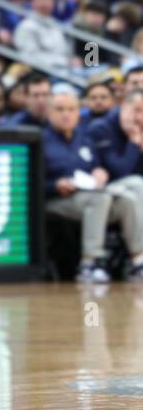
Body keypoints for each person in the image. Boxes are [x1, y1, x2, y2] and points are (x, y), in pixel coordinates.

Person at [44, 87, 143, 283]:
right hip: (55, 200)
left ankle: (137, 260)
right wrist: (54, 185)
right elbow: (32, 183)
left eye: (71, 109)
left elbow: (96, 167)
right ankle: (91, 262)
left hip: (87, 195)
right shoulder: (41, 141)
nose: (66, 114)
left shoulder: (84, 138)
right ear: (49, 113)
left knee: (127, 200)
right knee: (100, 198)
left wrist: (100, 172)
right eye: (60, 109)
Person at [87, 88, 143, 281]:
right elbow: (119, 171)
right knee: (137, 184)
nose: (139, 117)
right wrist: (134, 143)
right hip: (104, 188)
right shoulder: (102, 128)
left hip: (130, 192)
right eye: (135, 110)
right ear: (122, 107)